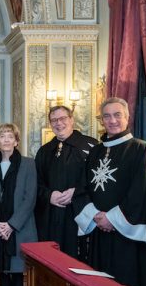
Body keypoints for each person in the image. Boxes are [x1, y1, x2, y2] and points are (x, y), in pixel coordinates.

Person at [75, 97, 146, 286]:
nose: (112, 120)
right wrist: (96, 216)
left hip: (127, 234)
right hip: (99, 232)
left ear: (127, 117)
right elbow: (83, 187)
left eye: (117, 115)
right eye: (107, 116)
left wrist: (111, 219)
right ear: (101, 120)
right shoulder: (95, 151)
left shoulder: (140, 149)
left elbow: (141, 191)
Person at [0, 123, 37, 286]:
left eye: (10, 136)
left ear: (16, 141)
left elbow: (30, 198)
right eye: (2, 136)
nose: (6, 140)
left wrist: (11, 224)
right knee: (3, 273)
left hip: (20, 227)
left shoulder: (28, 164)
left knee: (17, 274)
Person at [34, 106, 98, 261]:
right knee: (51, 260)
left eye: (63, 118)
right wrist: (49, 195)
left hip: (78, 214)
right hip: (50, 215)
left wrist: (76, 193)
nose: (59, 123)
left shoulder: (91, 146)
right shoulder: (44, 151)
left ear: (72, 120)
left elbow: (97, 181)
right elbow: (36, 182)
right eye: (54, 120)